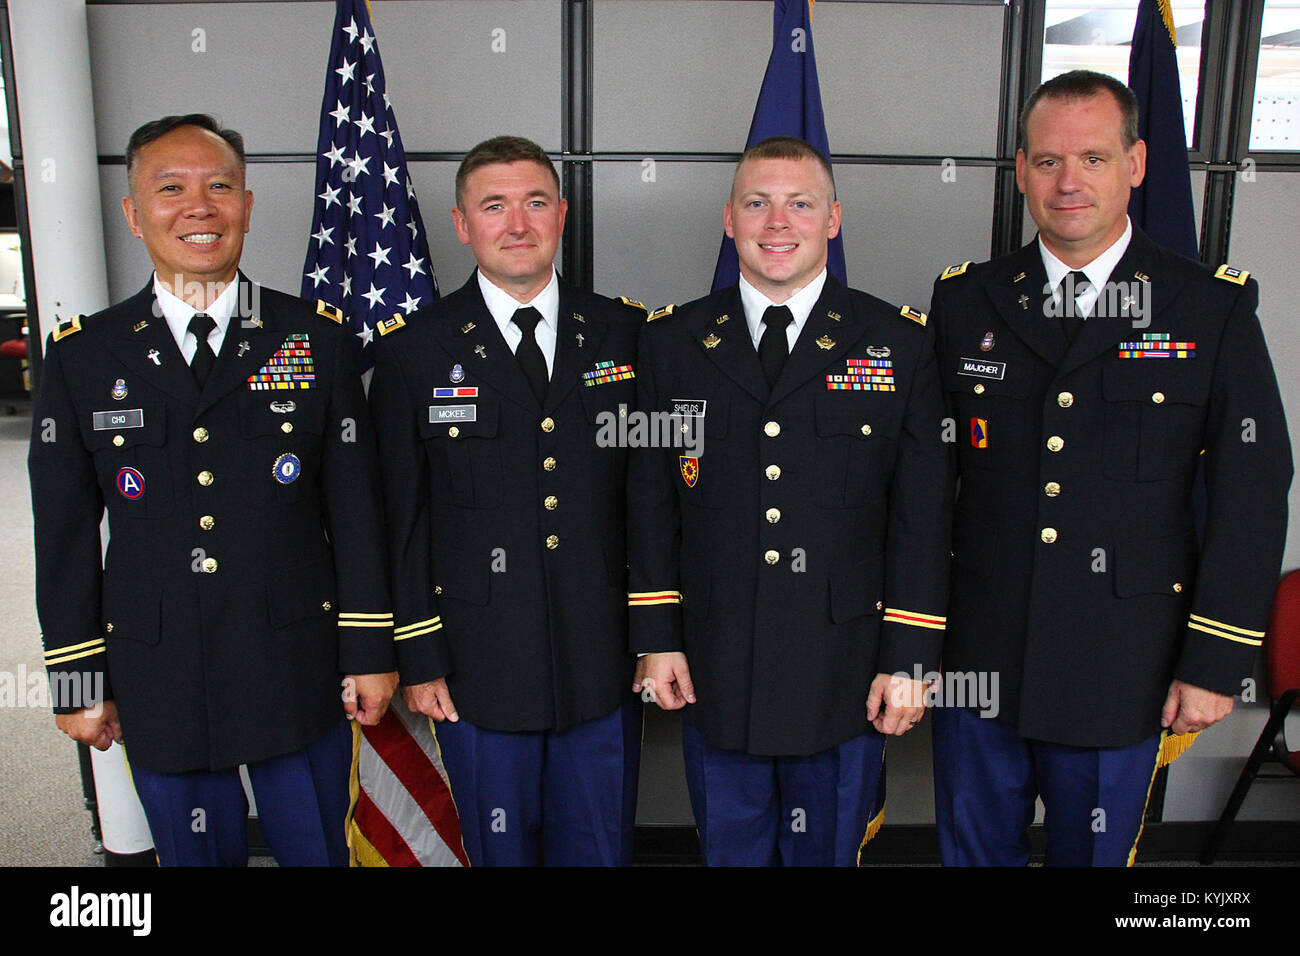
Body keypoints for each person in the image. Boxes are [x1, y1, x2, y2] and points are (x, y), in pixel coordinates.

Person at [929, 70, 1293, 866]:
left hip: (1123, 660)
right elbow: (925, 489)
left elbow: (1253, 492)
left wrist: (1215, 659)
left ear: (1135, 163)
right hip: (980, 656)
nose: (1069, 182)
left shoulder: (1209, 307)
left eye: (1093, 158)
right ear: (1021, 170)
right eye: (1049, 160)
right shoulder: (967, 301)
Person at [28, 114, 399, 866]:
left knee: (318, 851)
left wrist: (369, 648)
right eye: (171, 189)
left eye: (219, 187)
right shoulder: (83, 356)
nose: (199, 207)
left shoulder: (313, 339)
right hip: (157, 669)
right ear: (134, 215)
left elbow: (357, 511)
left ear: (247, 205)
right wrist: (75, 678)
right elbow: (63, 532)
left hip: (295, 660)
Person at [629, 136, 952, 866]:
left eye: (799, 203)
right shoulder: (672, 342)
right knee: (731, 852)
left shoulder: (896, 343)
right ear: (729, 219)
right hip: (715, 657)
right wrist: (658, 637)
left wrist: (910, 658)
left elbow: (922, 516)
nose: (778, 223)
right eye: (757, 203)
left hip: (845, 663)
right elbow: (651, 498)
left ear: (832, 218)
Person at [367, 135, 645, 866]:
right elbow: (399, 517)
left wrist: (656, 635)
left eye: (534, 203)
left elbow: (651, 504)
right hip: (474, 666)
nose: (517, 224)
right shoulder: (411, 351)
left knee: (599, 849)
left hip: (602, 656)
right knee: (498, 853)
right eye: (494, 206)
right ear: (462, 224)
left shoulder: (627, 334)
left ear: (560, 214)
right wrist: (419, 653)